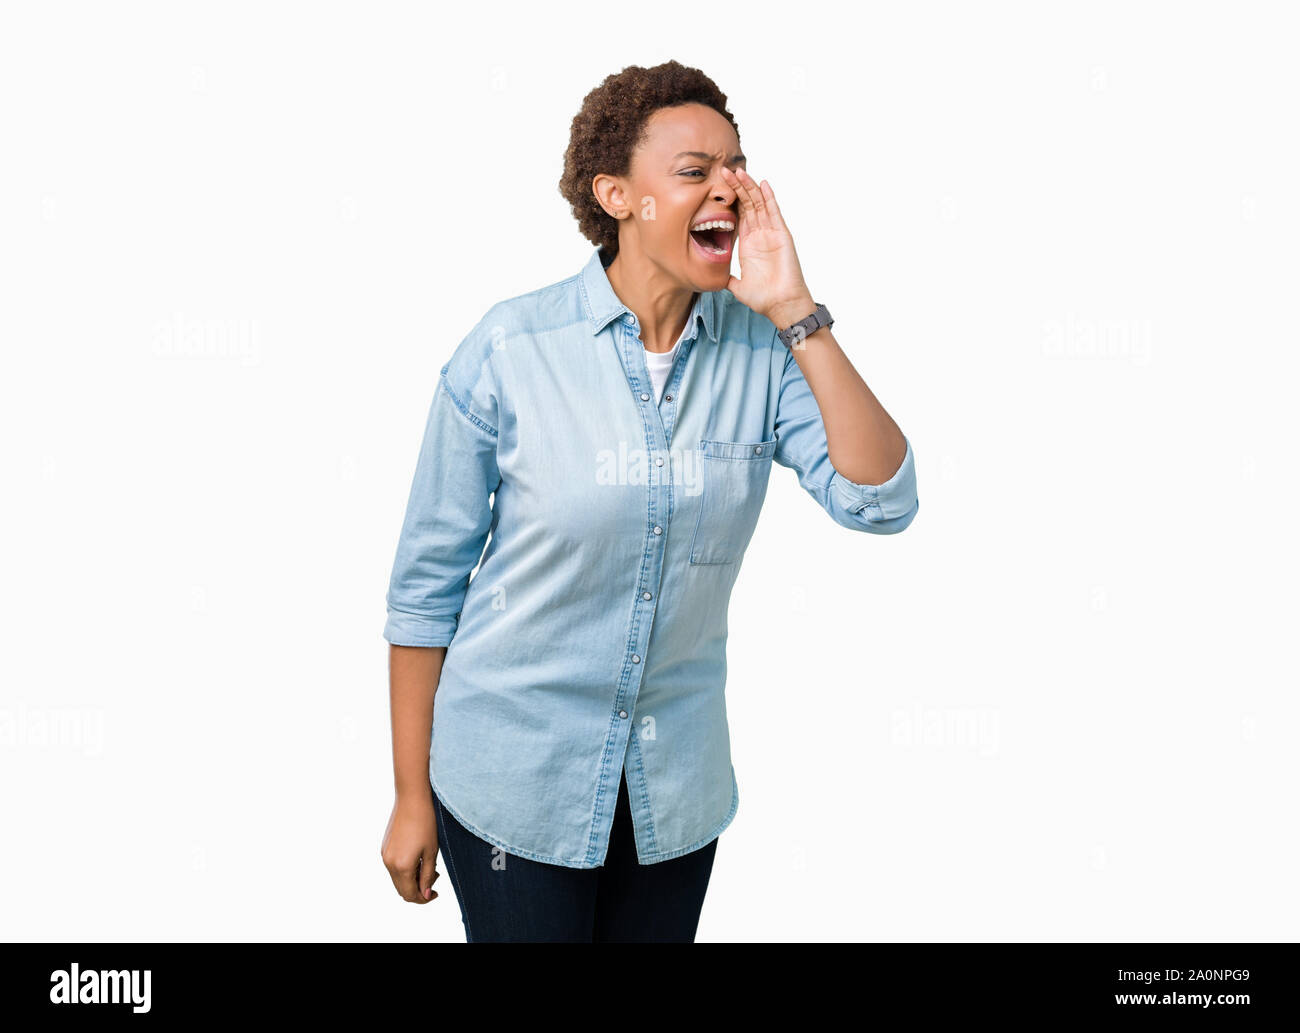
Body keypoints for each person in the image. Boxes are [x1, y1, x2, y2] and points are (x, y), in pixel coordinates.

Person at [379, 60, 919, 942]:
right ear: (617, 195)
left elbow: (882, 498)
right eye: (695, 169)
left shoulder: (764, 351)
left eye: (736, 166)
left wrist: (795, 308)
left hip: (673, 798)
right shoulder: (512, 349)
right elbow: (423, 591)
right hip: (516, 784)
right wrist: (410, 796)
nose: (728, 189)